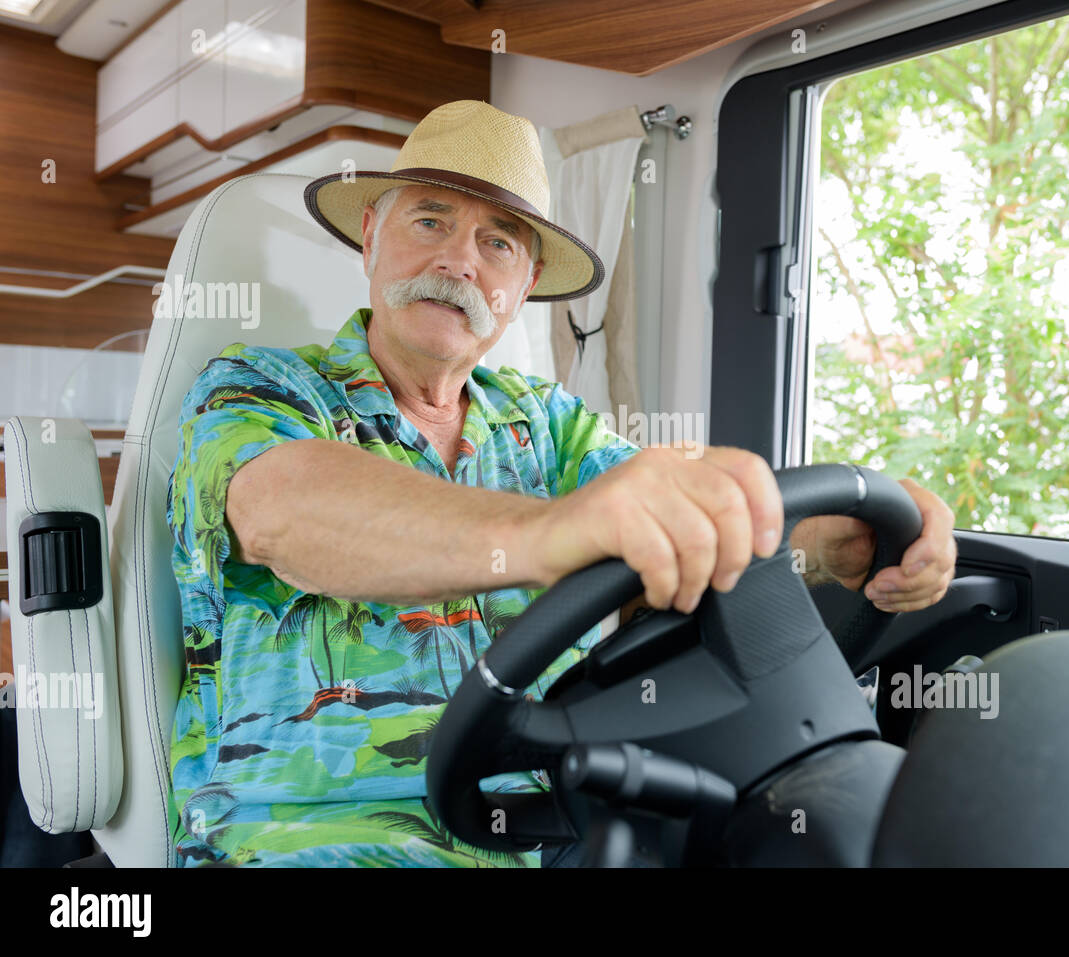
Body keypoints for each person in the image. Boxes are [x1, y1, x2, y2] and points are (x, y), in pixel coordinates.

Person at [166, 99, 958, 867]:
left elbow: (679, 513)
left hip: (563, 818)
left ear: (525, 283)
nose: (460, 260)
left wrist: (847, 538)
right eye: (431, 220)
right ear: (372, 234)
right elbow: (284, 512)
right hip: (314, 836)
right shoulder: (258, 387)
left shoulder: (548, 422)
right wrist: (550, 534)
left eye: (499, 242)